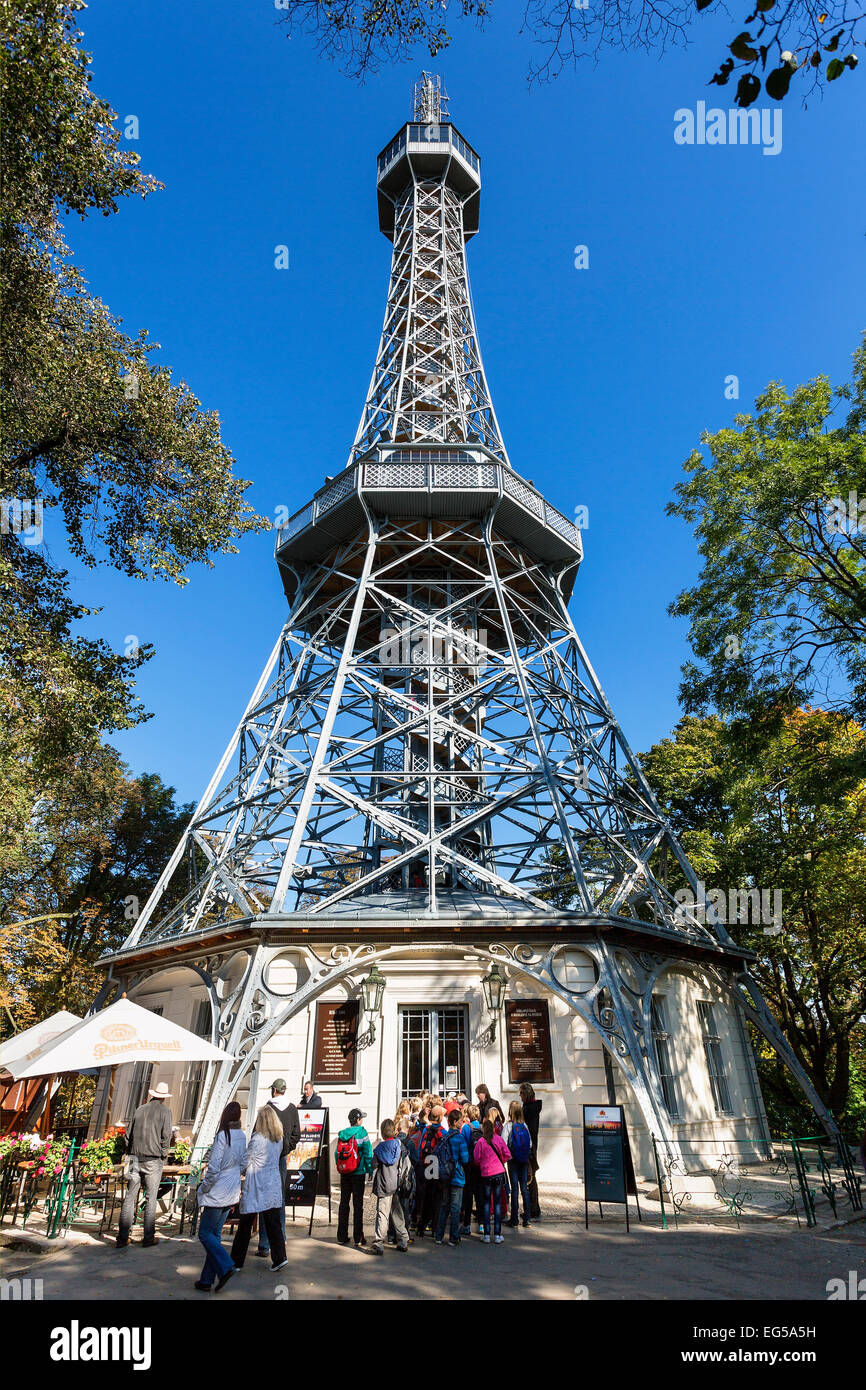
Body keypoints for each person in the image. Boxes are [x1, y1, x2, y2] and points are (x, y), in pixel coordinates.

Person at [193, 1101, 247, 1292]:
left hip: (217, 1191)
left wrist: (204, 1187)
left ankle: (225, 1265)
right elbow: (243, 1163)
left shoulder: (223, 1136)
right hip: (232, 1189)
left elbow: (214, 1167)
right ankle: (207, 1280)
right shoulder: (241, 1135)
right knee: (214, 1235)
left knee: (204, 1234)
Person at [230, 1105, 289, 1273]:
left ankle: (236, 1261)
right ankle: (280, 1257)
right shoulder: (278, 1139)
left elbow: (246, 1162)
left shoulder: (257, 1139)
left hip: (256, 1185)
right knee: (273, 1223)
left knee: (245, 1225)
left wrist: (239, 1170)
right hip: (272, 1184)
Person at [116, 1081, 174, 1249]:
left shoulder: (140, 1109)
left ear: (152, 1094)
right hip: (153, 1159)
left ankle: (122, 1238)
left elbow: (128, 1135)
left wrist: (130, 1151)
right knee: (151, 1198)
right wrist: (163, 1156)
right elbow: (166, 1136)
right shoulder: (165, 1112)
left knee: (129, 1197)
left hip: (134, 1157)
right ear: (163, 1097)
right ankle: (148, 1238)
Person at [257, 1078, 300, 1259]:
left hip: (265, 1159)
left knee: (264, 1200)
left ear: (274, 1090)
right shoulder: (292, 1108)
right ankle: (280, 1238)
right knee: (279, 1198)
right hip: (281, 1158)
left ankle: (264, 1243)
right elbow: (297, 1134)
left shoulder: (267, 1108)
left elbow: (256, 1132)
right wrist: (285, 1149)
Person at [371, 1119, 409, 1255]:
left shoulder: (379, 1148)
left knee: (382, 1213)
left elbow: (373, 1165)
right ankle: (403, 1238)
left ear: (382, 1132)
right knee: (397, 1213)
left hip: (383, 1184)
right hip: (397, 1183)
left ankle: (379, 1242)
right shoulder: (398, 1144)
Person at [335, 1107, 372, 1247]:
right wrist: (369, 1170)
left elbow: (336, 1154)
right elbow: (368, 1153)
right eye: (361, 1117)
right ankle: (358, 1237)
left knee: (343, 1204)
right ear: (357, 1120)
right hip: (358, 1173)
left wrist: (341, 1168)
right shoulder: (362, 1133)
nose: (362, 1120)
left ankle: (341, 1235)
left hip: (345, 1173)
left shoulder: (342, 1134)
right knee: (358, 1205)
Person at [472, 1119, 511, 1244]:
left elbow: (476, 1159)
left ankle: (487, 1234)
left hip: (487, 1174)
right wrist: (501, 1162)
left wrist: (483, 1163)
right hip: (499, 1173)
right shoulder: (498, 1139)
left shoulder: (481, 1142)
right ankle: (498, 1234)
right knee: (498, 1203)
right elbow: (507, 1154)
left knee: (487, 1203)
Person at [435, 1108, 470, 1247]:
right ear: (455, 1122)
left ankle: (439, 1235)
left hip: (445, 1175)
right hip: (456, 1175)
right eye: (461, 1120)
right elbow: (465, 1159)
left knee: (444, 1205)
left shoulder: (444, 1137)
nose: (462, 1122)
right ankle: (453, 1237)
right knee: (455, 1207)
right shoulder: (459, 1138)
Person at [416, 1105, 449, 1238]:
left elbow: (420, 1148)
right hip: (437, 1166)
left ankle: (421, 1226)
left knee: (427, 1197)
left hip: (426, 1166)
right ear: (440, 1117)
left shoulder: (426, 1129)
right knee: (438, 1199)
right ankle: (435, 1228)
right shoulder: (442, 1132)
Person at [503, 1101, 533, 1228]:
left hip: (513, 1160)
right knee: (524, 1188)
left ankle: (514, 1219)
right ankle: (527, 1218)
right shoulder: (524, 1125)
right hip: (524, 1160)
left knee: (514, 1189)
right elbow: (530, 1144)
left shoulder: (509, 1126)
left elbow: (503, 1142)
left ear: (510, 1111)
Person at [520, 1082, 543, 1219]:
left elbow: (530, 1130)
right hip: (530, 1146)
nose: (520, 1097)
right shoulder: (530, 1107)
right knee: (530, 1178)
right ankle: (533, 1208)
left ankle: (532, 1209)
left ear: (526, 1094)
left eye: (521, 1094)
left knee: (530, 1178)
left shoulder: (530, 1110)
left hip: (529, 1147)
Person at [460, 1104, 483, 1235]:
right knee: (480, 1197)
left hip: (469, 1165)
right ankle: (481, 1225)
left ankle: (467, 1225)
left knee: (468, 1196)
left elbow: (463, 1146)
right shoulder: (482, 1128)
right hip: (480, 1165)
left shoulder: (466, 1128)